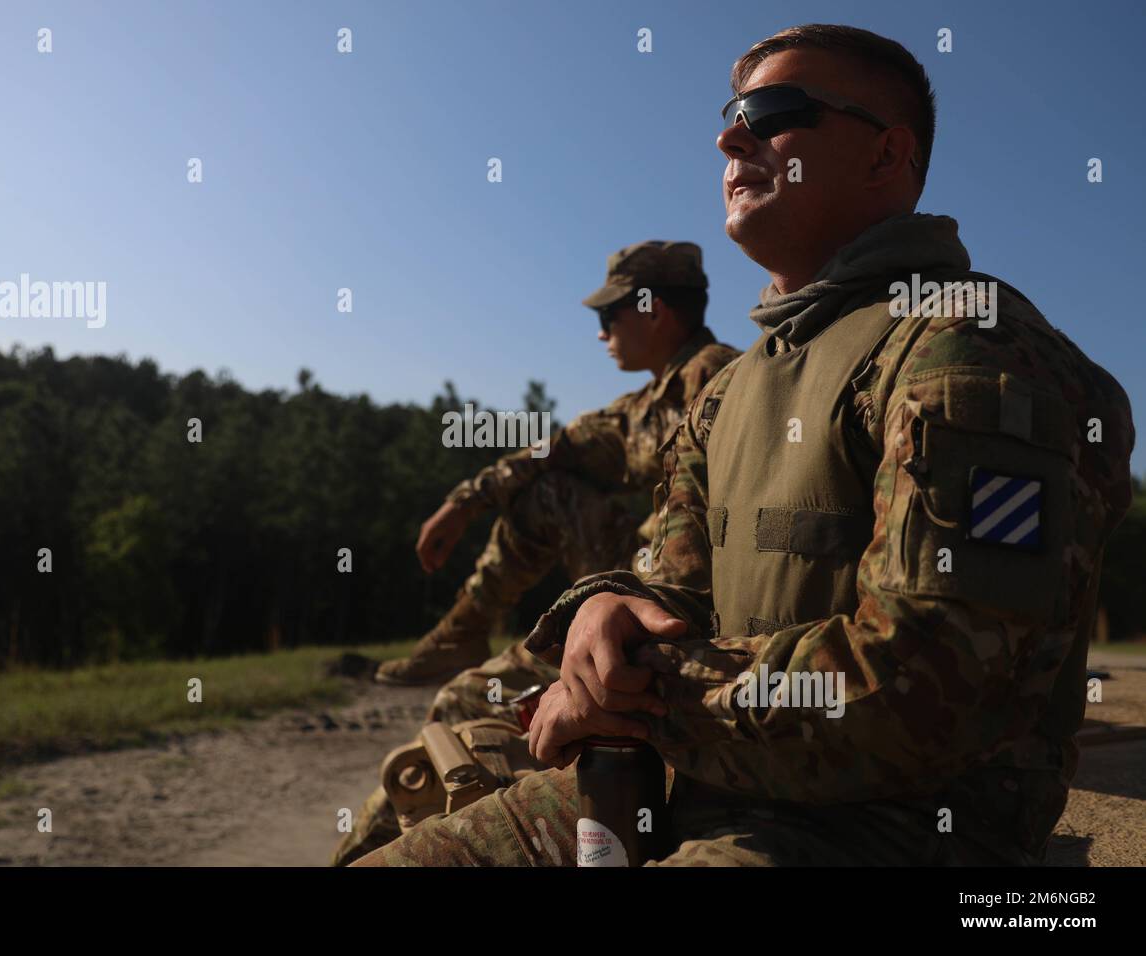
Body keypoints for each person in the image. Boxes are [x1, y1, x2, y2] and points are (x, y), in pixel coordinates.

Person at [353, 23, 1134, 867]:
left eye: (772, 111)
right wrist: (607, 610)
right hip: (684, 770)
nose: (730, 134)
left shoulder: (968, 350)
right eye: (732, 113)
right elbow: (675, 585)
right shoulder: (732, 389)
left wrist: (637, 696)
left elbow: (920, 692)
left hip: (887, 822)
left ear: (886, 156)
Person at [330, 242, 740, 865]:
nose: (601, 332)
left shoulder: (715, 380)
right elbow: (557, 448)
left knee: (465, 705)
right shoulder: (647, 403)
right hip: (619, 605)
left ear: (654, 310)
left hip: (664, 623)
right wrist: (466, 499)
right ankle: (463, 640)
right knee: (463, 692)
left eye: (611, 315)